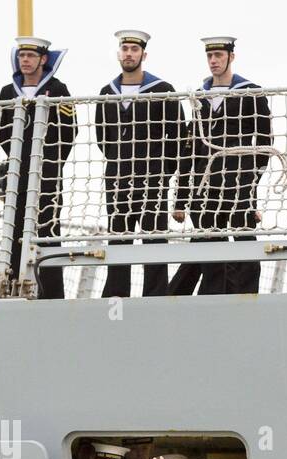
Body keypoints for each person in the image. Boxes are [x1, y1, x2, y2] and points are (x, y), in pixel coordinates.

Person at [166, 36, 271, 296]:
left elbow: (265, 144)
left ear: (230, 57)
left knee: (243, 242)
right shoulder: (199, 97)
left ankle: (247, 300)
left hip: (237, 183)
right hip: (205, 185)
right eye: (210, 56)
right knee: (208, 244)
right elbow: (191, 149)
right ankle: (208, 301)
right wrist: (181, 199)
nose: (213, 61)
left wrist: (250, 190)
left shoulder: (250, 92)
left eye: (219, 56)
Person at [95, 30, 181, 299]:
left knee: (154, 238)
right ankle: (116, 297)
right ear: (119, 53)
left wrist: (162, 172)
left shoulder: (162, 90)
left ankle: (155, 296)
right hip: (118, 178)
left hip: (152, 179)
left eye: (134, 49)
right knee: (119, 238)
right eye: (125, 48)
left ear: (144, 54)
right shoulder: (106, 92)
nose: (129, 54)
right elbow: (102, 136)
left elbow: (176, 135)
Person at [0, 37, 76, 299]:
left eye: (31, 56)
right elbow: (3, 133)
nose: (26, 61)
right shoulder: (8, 92)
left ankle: (51, 293)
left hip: (46, 173)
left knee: (47, 230)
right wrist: (17, 161)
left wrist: (49, 162)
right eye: (22, 56)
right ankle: (12, 286)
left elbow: (68, 132)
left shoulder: (58, 89)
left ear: (43, 59)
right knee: (14, 228)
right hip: (17, 174)